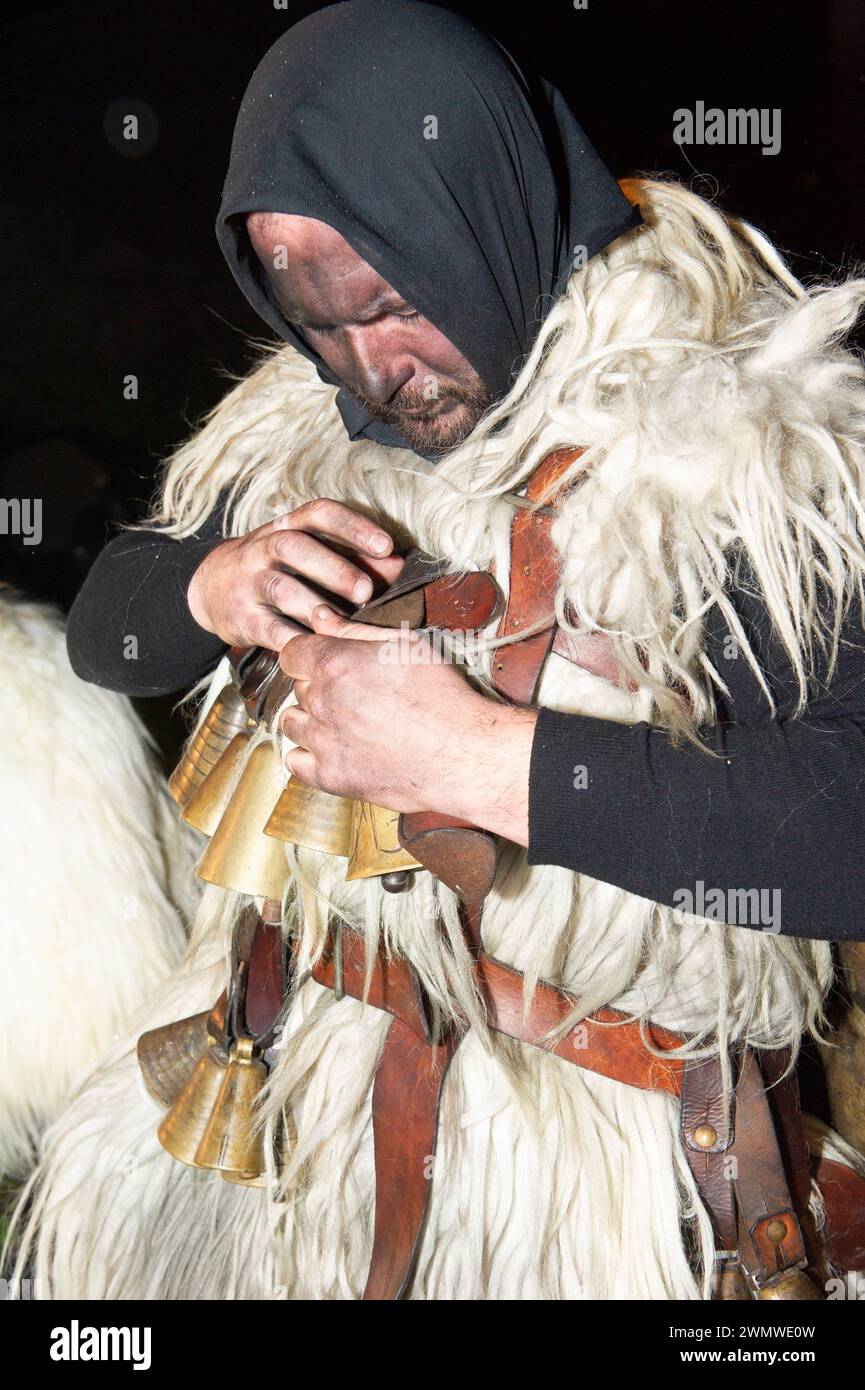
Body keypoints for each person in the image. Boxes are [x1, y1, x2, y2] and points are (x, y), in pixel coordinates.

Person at [19, 0, 865, 1300]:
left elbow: (844, 832)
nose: (370, 366)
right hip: (293, 1151)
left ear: (471, 212)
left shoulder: (721, 449)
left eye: (392, 301)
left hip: (588, 1197)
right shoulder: (300, 426)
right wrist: (212, 582)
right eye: (309, 313)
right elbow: (103, 629)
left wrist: (489, 762)